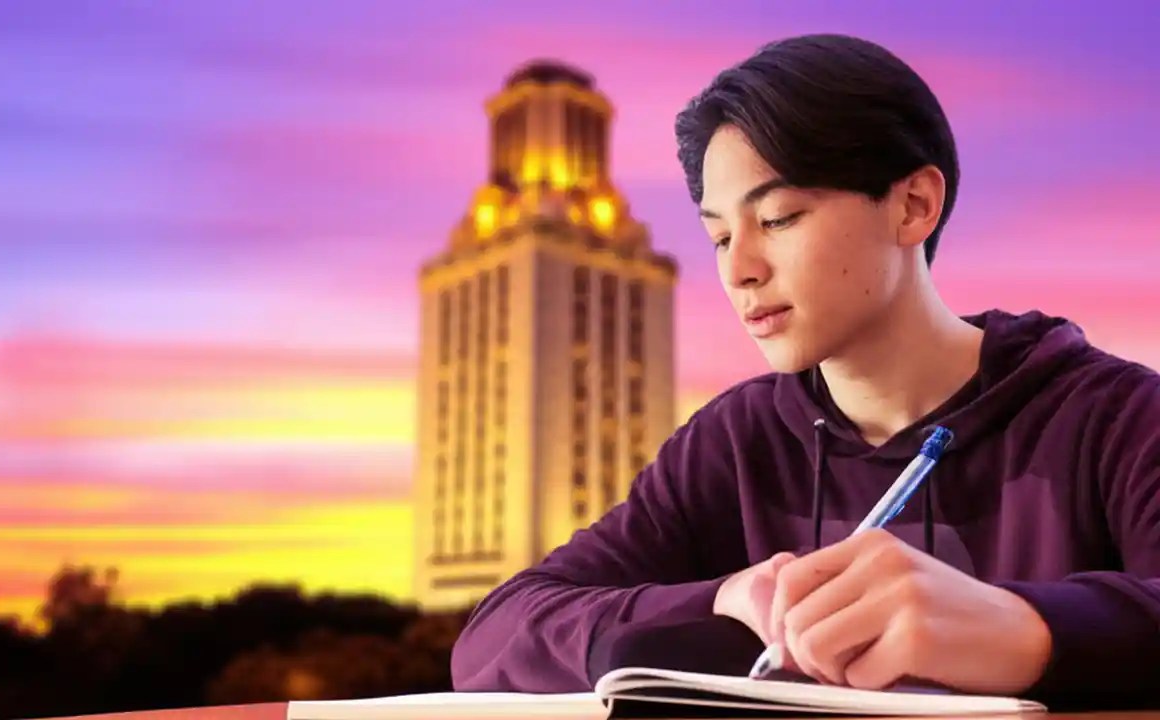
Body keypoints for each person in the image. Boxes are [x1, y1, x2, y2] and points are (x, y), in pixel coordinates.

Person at [449, 33, 1160, 707]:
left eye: (780, 218)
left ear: (914, 205)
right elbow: (495, 636)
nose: (740, 270)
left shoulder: (1116, 418)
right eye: (719, 236)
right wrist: (720, 599)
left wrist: (1026, 630)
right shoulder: (735, 443)